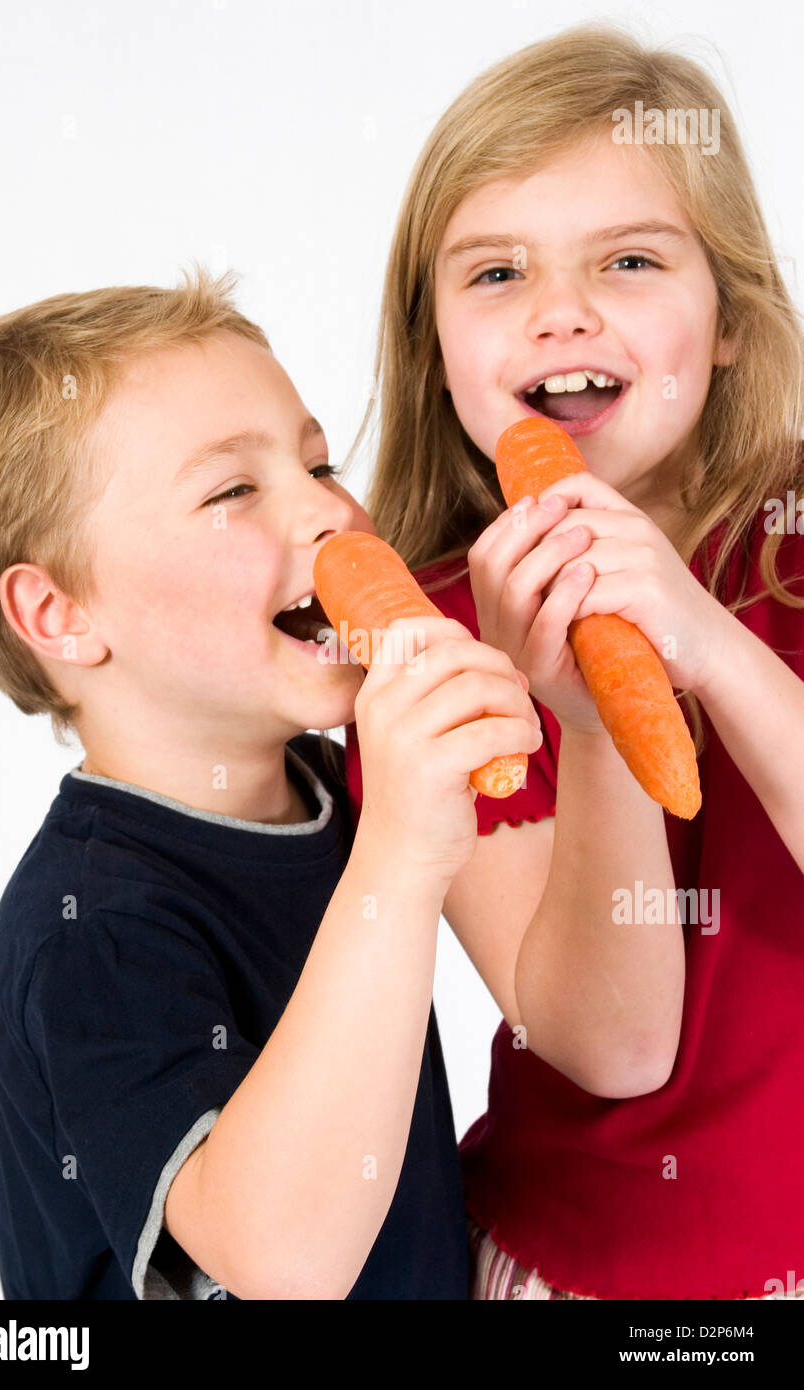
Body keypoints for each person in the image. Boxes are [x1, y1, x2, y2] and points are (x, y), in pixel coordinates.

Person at [0, 269, 543, 1298]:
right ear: (61, 614)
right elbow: (281, 1260)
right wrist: (397, 859)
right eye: (232, 491)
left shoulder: (335, 780)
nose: (331, 510)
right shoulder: (89, 926)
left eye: (318, 461)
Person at [342, 23, 804, 1300]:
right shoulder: (419, 641)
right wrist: (591, 721)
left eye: (631, 260)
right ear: (436, 348)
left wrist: (699, 641)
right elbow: (610, 1044)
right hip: (594, 1274)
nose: (559, 311)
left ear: (723, 324)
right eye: (494, 274)